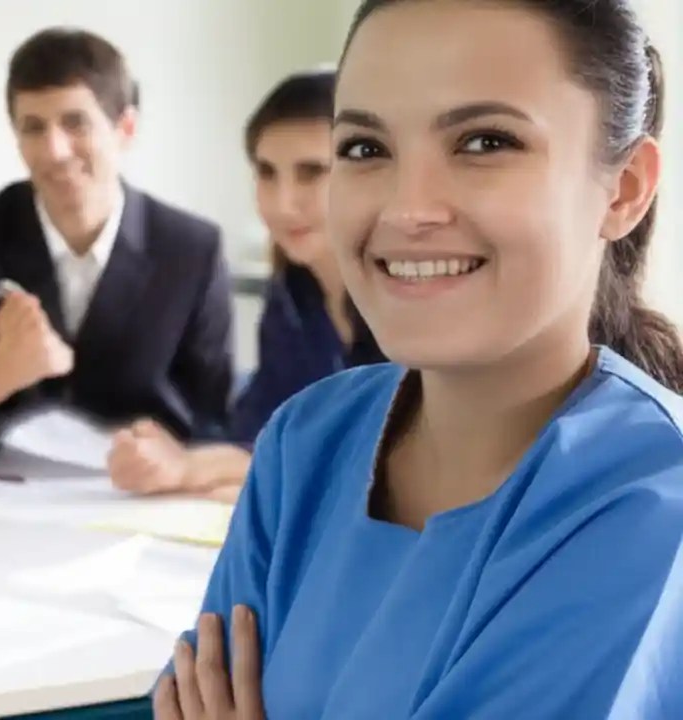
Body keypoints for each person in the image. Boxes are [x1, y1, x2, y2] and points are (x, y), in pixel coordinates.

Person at [156, 0, 683, 718]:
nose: (408, 210)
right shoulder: (306, 441)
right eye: (366, 149)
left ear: (623, 189)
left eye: (485, 142)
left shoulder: (654, 502)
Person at [0, 26, 235, 459]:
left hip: (139, 505)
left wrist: (176, 461)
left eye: (75, 123)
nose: (54, 150)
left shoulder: (192, 250)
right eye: (33, 128)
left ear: (125, 128)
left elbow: (216, 428)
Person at [107, 69, 384, 500]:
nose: (282, 202)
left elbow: (384, 462)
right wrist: (175, 457)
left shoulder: (417, 300)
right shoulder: (291, 295)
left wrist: (195, 467)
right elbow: (261, 431)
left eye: (312, 172)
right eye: (267, 172)